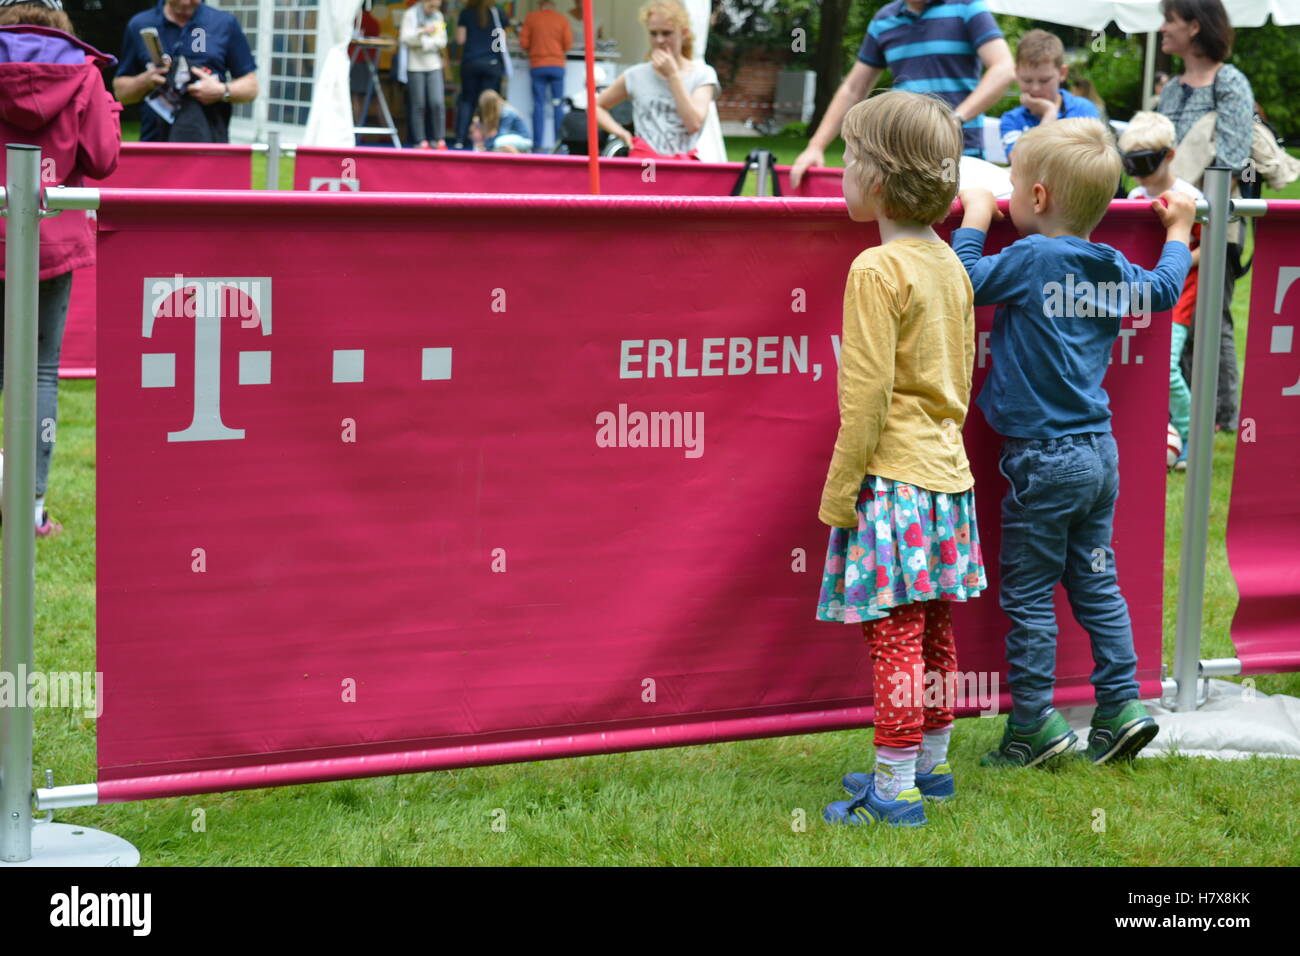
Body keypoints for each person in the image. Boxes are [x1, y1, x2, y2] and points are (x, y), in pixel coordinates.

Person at [952, 119, 1195, 767]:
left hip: (1042, 461)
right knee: (1095, 580)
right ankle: (1121, 705)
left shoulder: (1031, 259)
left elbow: (962, 282)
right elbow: (1166, 290)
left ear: (1035, 198)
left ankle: (1033, 723)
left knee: (1029, 592)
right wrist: (1177, 232)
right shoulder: (1109, 264)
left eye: (1007, 187)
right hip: (1098, 456)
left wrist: (974, 217)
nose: (1002, 196)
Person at [815, 91, 987, 829]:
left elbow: (866, 397)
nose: (841, 171)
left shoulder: (876, 270)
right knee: (936, 632)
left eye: (850, 158)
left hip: (893, 485)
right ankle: (933, 766)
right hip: (949, 484)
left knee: (894, 638)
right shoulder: (949, 263)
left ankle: (894, 789)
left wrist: (838, 492)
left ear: (879, 178)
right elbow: (965, 365)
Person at [0, 0, 121, 535]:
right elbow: (102, 157)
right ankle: (30, 508)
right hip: (50, 239)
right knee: (41, 371)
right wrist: (110, 108)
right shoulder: (84, 72)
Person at [790, 0, 1013, 187]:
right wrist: (815, 146)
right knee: (903, 229)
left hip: (957, 152)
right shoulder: (883, 19)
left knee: (955, 223)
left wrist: (954, 120)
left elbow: (1003, 68)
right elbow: (852, 88)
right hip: (901, 154)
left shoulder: (967, 7)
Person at [1156, 0, 1251, 433]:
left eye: (1169, 20)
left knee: (1213, 318)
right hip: (1174, 219)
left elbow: (1233, 159)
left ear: (1194, 27)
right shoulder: (1172, 88)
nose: (1162, 28)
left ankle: (1221, 417)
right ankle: (1188, 413)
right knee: (1177, 319)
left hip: (1216, 222)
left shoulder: (1230, 82)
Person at [1119, 111, 1204, 469]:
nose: (1137, 173)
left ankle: (1188, 438)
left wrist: (1175, 261)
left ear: (1169, 155)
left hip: (1179, 296)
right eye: (1130, 164)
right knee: (1139, 363)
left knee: (1167, 369)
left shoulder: (1189, 197)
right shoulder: (1135, 194)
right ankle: (1142, 429)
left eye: (1145, 163)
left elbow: (1210, 250)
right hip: (1141, 296)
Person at [113, 0, 257, 143]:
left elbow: (251, 87)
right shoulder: (140, 24)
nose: (186, 2)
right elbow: (121, 93)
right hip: (155, 143)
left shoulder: (224, 23)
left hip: (210, 142)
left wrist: (221, 91)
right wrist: (146, 80)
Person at [594, 0, 718, 160]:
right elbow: (596, 106)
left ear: (684, 33)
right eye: (653, 33)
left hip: (683, 164)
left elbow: (693, 124)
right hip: (646, 163)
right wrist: (621, 133)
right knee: (647, 183)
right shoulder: (635, 75)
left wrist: (673, 77)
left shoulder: (702, 74)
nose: (659, 40)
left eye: (667, 33)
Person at [1000, 30, 1099, 159]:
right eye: (1027, 80)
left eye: (1044, 80)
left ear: (1062, 73)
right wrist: (1049, 114)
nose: (1035, 88)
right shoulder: (1012, 119)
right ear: (1017, 74)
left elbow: (1089, 161)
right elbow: (1019, 161)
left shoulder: (1083, 110)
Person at [454, 0, 507, 148]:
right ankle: (488, 139)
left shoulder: (466, 13)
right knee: (489, 104)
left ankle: (460, 139)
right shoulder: (498, 13)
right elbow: (502, 39)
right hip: (492, 63)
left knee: (467, 101)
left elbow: (460, 39)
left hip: (471, 62)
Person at [519, 0, 571, 151]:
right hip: (557, 67)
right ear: (553, 4)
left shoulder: (531, 18)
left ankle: (537, 145)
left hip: (538, 67)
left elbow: (523, 43)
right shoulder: (561, 19)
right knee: (557, 105)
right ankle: (558, 144)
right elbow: (568, 44)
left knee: (539, 105)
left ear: (540, 4)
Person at [400, 0, 447, 148]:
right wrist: (423, 32)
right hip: (415, 66)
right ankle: (420, 141)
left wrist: (423, 43)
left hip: (434, 65)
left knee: (437, 102)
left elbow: (442, 41)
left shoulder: (438, 16)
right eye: (430, 6)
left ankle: (439, 139)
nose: (433, 9)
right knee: (418, 104)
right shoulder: (410, 15)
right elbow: (404, 38)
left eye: (436, 7)